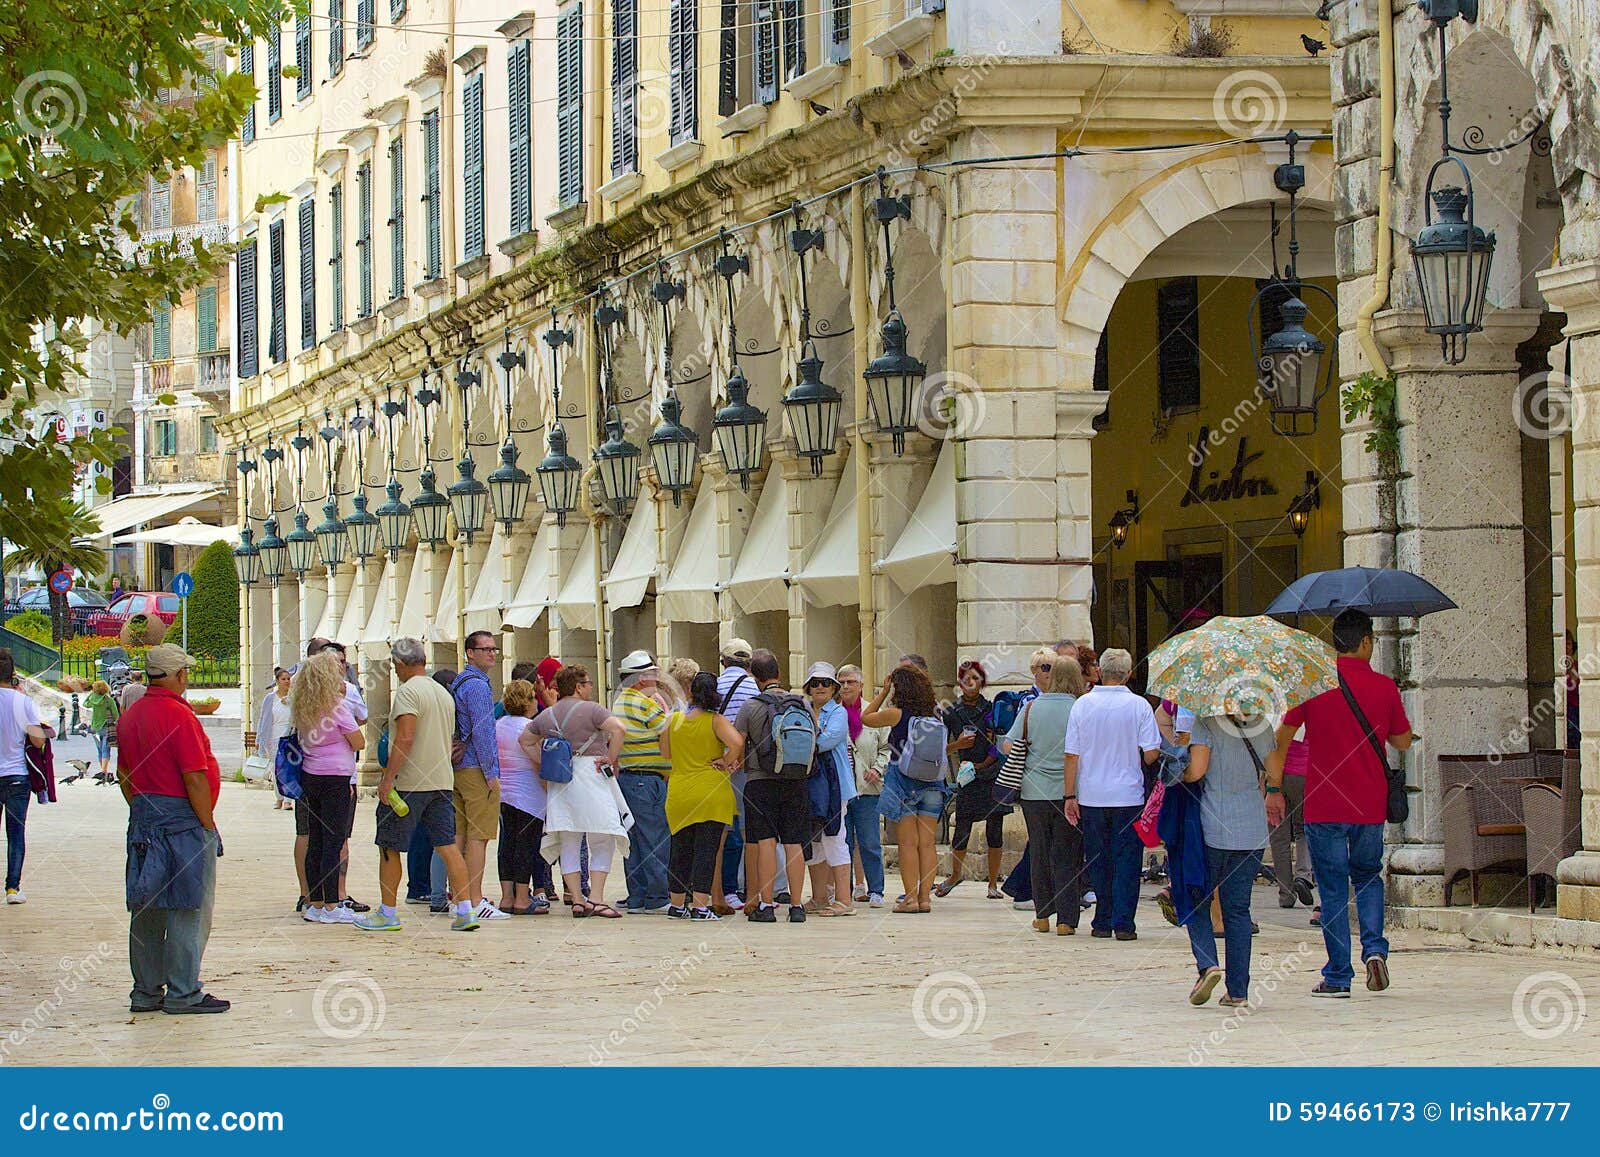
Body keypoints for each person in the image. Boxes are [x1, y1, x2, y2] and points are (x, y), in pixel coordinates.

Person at [1266, 608, 1412, 997]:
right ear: (1365, 642)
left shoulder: (1313, 684)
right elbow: (1401, 741)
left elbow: (1282, 739)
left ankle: (1337, 975)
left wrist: (1274, 789)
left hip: (1324, 802)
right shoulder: (1384, 687)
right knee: (1367, 877)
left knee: (1332, 888)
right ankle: (1375, 951)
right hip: (1368, 803)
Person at [116, 644, 228, 1013]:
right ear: (179, 675)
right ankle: (183, 991)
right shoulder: (180, 717)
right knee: (187, 907)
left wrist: (142, 809)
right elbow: (194, 776)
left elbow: (124, 774)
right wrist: (207, 824)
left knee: (146, 906)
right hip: (182, 819)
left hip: (145, 816)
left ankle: (146, 991)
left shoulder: (131, 715)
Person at [357, 638, 478, 932]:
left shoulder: (408, 693)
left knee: (389, 846)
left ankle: (388, 912)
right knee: (448, 846)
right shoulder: (442, 692)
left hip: (410, 783)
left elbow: (406, 737)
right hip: (441, 781)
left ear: (399, 663)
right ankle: (465, 911)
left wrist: (387, 779)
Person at [1063, 648, 1161, 940]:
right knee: (1128, 860)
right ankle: (1124, 923)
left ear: (1100, 673)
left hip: (1092, 794)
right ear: (1128, 674)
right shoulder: (1139, 706)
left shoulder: (1082, 705)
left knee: (1098, 858)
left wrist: (1070, 795)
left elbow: (1071, 755)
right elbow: (1151, 755)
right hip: (1128, 795)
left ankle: (1101, 920)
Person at [520, 665, 629, 918]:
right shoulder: (593, 709)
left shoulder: (548, 714)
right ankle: (597, 898)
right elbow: (619, 729)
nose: (591, 687)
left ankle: (577, 900)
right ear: (578, 686)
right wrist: (611, 757)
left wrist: (543, 763)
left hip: (561, 778)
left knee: (569, 839)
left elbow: (525, 741)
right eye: (588, 683)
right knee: (602, 836)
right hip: (591, 774)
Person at [1183, 711, 1274, 1006]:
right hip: (1251, 827)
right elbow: (1274, 772)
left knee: (1197, 898)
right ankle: (1238, 991)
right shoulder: (1263, 725)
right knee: (1238, 910)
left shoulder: (1206, 723)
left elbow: (1196, 771)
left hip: (1215, 826)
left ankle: (1208, 964)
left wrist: (1178, 767)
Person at [731, 649, 811, 923]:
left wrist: (733, 762)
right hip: (796, 781)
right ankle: (797, 906)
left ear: (754, 676)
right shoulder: (802, 704)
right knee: (794, 843)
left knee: (765, 842)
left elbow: (738, 745)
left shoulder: (751, 706)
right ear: (779, 674)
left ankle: (766, 905)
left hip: (760, 782)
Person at [1009, 656, 1087, 934]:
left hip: (1033, 792)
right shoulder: (1080, 707)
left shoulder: (1031, 708)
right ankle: (1066, 919)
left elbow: (1008, 745)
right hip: (1070, 791)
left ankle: (1042, 915)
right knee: (1066, 855)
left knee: (1039, 852)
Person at [864, 661, 948, 914]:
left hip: (903, 781)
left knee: (908, 844)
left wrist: (882, 691)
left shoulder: (896, 714)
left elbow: (865, 718)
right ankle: (925, 899)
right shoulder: (936, 714)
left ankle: (910, 899)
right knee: (927, 843)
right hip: (934, 782)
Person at [659, 671, 743, 919]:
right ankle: (700, 907)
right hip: (711, 791)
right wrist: (725, 760)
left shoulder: (673, 720)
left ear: (690, 693)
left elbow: (665, 753)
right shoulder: (716, 720)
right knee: (706, 851)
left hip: (680, 791)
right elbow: (737, 742)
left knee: (680, 850)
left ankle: (676, 905)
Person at [291, 652, 365, 924]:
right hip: (336, 777)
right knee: (334, 841)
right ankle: (333, 905)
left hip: (311, 775)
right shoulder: (336, 706)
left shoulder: (302, 706)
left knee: (317, 839)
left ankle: (315, 902)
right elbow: (358, 742)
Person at [998, 647, 1062, 911]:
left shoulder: (1063, 700)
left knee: (1047, 843)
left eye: (1053, 667)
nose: (1049, 673)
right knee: (1039, 843)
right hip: (1034, 782)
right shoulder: (1029, 703)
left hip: (1058, 783)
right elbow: (1009, 744)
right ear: (1035, 671)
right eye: (1045, 667)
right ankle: (1029, 893)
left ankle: (1033, 891)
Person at [937, 660, 1006, 899]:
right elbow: (940, 747)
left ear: (982, 682)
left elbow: (1000, 744)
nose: (971, 683)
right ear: (960, 683)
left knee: (995, 831)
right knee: (962, 829)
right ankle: (955, 875)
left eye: (975, 678)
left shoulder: (991, 709)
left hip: (992, 774)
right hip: (968, 777)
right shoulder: (952, 712)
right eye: (966, 679)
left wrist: (982, 764)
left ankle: (993, 884)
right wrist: (958, 745)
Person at [451, 630, 506, 922]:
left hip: (459, 768)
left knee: (459, 834)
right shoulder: (478, 687)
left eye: (494, 649)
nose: (491, 654)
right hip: (476, 768)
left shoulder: (459, 683)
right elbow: (484, 730)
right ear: (470, 652)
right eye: (485, 649)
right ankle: (474, 899)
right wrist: (491, 773)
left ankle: (458, 897)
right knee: (479, 837)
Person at [612, 650, 672, 915]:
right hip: (646, 780)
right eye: (652, 675)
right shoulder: (641, 702)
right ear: (640, 678)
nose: (657, 680)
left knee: (635, 841)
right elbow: (670, 728)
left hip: (631, 778)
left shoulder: (623, 700)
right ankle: (657, 896)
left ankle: (637, 896)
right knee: (655, 838)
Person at [801, 662, 855, 916]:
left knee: (835, 838)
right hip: (811, 787)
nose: (820, 687)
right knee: (814, 842)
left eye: (824, 683)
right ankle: (819, 896)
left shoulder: (838, 713)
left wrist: (801, 743)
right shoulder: (804, 710)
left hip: (835, 787)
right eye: (815, 683)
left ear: (833, 687)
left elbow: (827, 740)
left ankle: (844, 899)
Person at [496, 679, 551, 915]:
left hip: (503, 794)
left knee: (507, 844)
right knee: (527, 846)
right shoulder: (531, 728)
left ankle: (506, 897)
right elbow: (540, 762)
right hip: (529, 794)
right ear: (527, 702)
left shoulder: (497, 725)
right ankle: (522, 898)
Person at [1, 651, 48, 905]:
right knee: (15, 833)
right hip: (17, 776)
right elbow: (37, 740)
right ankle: (12, 888)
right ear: (13, 675)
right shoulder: (23, 703)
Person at [714, 638, 757, 912]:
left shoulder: (715, 687)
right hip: (747, 765)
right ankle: (746, 889)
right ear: (749, 664)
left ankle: (722, 887)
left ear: (723, 661)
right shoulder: (755, 687)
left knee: (721, 828)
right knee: (746, 828)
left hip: (717, 763)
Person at [838, 664, 886, 907]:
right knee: (842, 842)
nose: (845, 686)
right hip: (841, 791)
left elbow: (887, 748)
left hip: (868, 790)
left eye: (850, 682)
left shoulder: (874, 713)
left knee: (869, 841)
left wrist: (877, 768)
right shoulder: (833, 713)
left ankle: (876, 888)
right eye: (842, 682)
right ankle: (843, 890)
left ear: (861, 685)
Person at [1266, 719, 1315, 909]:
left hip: (1276, 776)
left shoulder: (1273, 710)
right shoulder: (1310, 707)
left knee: (1278, 837)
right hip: (1305, 774)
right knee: (1304, 829)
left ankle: (1285, 894)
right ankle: (1303, 875)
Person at [256, 668, 295, 811]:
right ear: (277, 681)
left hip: (289, 735)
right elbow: (263, 719)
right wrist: (259, 738)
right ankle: (279, 797)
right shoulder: (270, 698)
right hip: (273, 735)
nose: (286, 682)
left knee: (288, 768)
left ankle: (288, 800)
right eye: (283, 679)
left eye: (288, 679)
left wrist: (290, 702)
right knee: (276, 768)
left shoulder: (294, 697)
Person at [85, 679, 119, 783]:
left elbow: (85, 704)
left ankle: (103, 771)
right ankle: (104, 771)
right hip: (106, 727)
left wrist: (91, 694)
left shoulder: (92, 699)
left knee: (99, 750)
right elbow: (116, 715)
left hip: (95, 728)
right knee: (105, 750)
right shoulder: (109, 700)